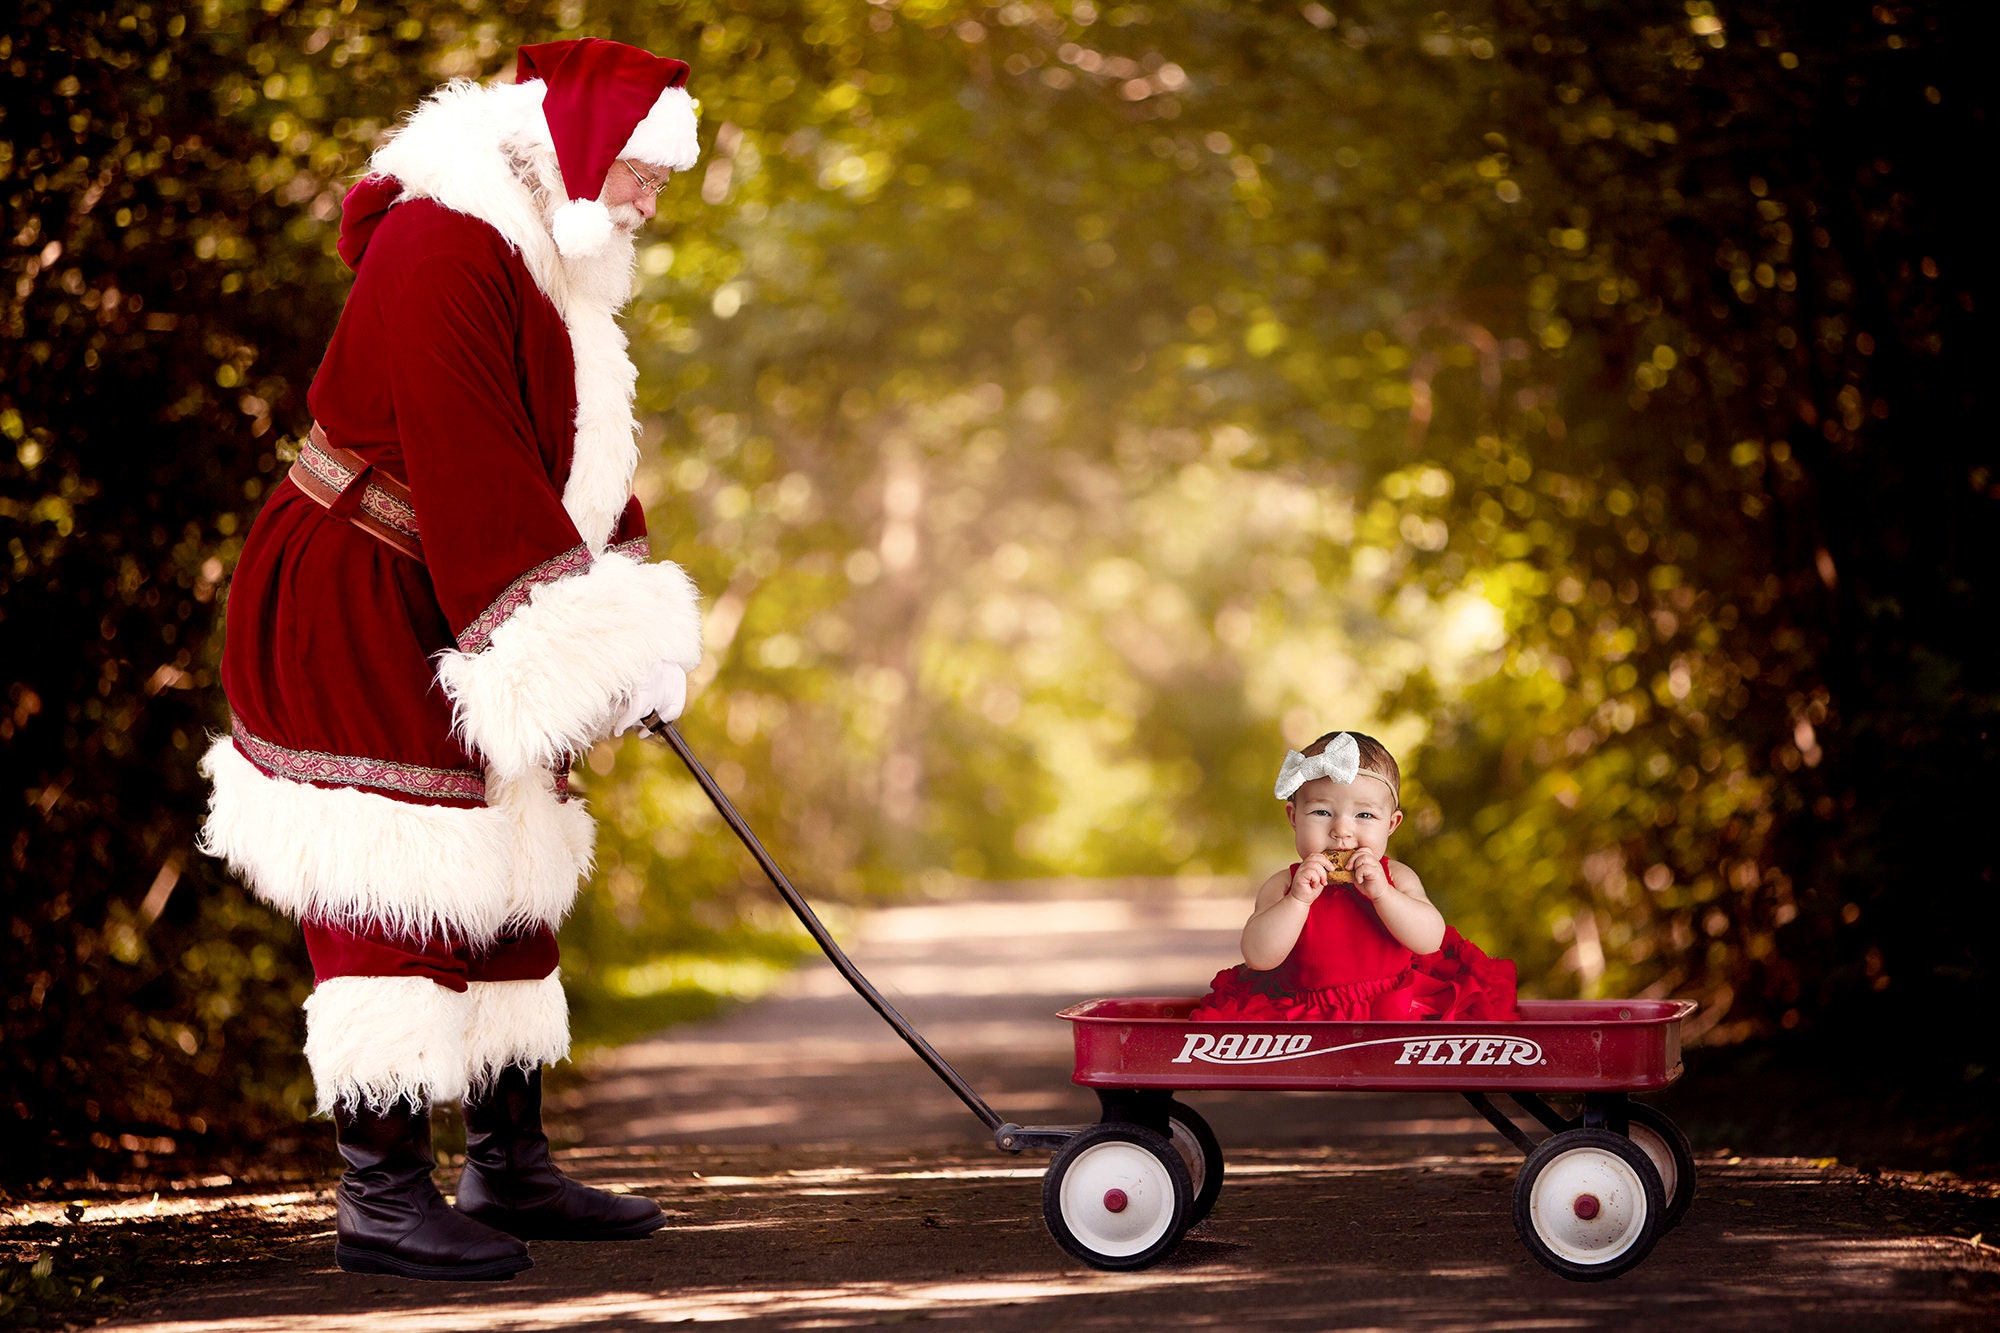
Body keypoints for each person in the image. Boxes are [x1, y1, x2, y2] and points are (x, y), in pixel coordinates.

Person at [198, 39, 708, 1281]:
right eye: (643, 175)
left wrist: (628, 605)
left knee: (509, 849)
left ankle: (507, 1161)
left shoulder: (546, 260)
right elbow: (476, 468)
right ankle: (380, 1194)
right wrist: (587, 639)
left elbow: (574, 454)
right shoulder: (444, 244)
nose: (649, 203)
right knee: (398, 863)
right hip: (359, 585)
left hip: (451, 581)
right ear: (586, 155)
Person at [1191, 731, 1517, 1022]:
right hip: (1308, 1014)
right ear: (1293, 817)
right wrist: (1298, 901)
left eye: (1364, 815)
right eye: (1322, 812)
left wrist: (1384, 896)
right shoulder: (1284, 886)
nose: (1342, 831)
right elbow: (1259, 957)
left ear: (1391, 824)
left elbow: (1430, 939)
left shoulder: (1396, 877)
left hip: (1393, 1009)